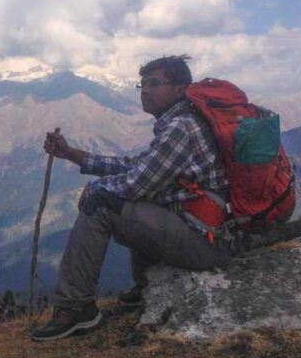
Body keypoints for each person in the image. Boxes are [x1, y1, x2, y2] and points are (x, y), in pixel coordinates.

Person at [31, 54, 232, 342]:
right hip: (205, 234)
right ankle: (146, 286)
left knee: (102, 203)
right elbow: (138, 167)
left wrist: (97, 188)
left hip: (203, 243)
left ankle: (75, 307)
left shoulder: (180, 129)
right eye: (142, 85)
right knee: (125, 197)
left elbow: (137, 184)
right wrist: (74, 155)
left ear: (179, 89)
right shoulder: (181, 123)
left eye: (154, 83)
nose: (145, 91)